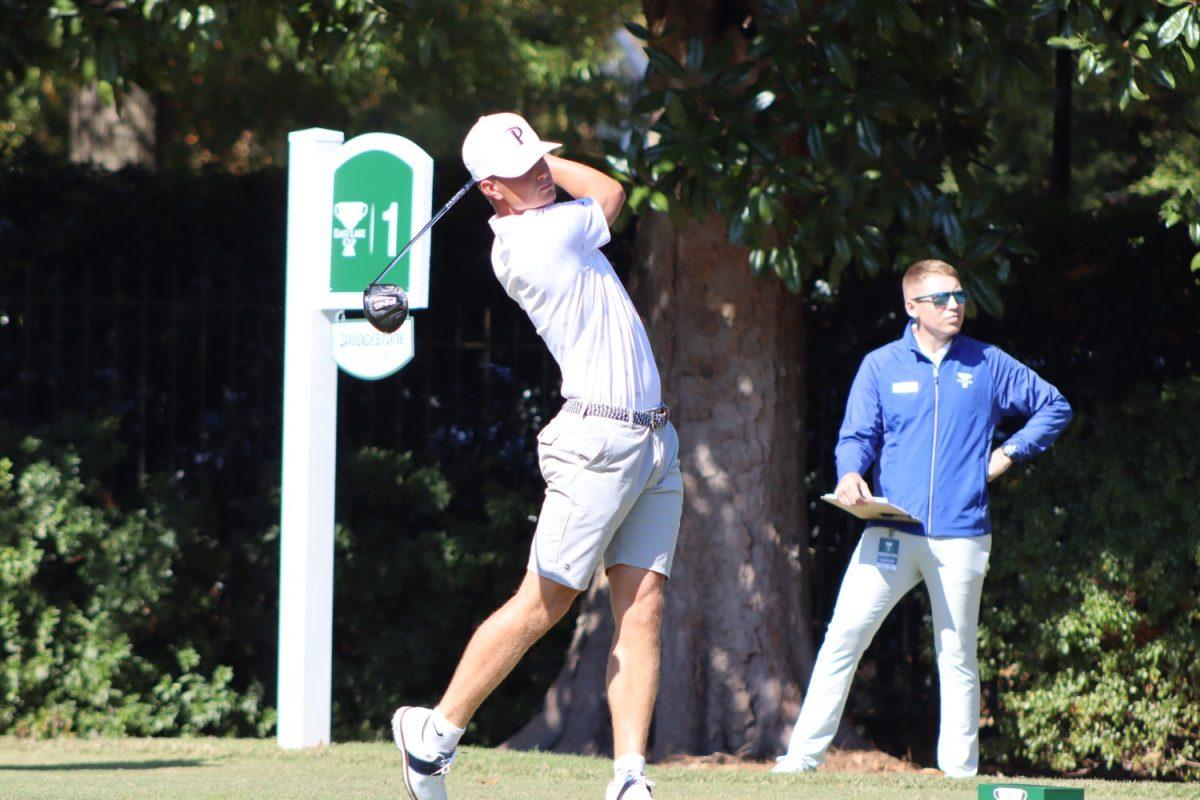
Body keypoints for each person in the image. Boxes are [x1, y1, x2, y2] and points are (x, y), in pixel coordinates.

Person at [391, 112, 683, 800]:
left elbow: (587, 193)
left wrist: (533, 158)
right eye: (523, 175)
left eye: (541, 164)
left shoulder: (545, 217)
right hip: (596, 445)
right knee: (542, 603)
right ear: (490, 189)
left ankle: (629, 778)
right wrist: (551, 161)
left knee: (642, 608)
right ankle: (433, 737)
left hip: (649, 442)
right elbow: (611, 192)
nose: (543, 176)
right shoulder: (538, 239)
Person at [773, 259, 1072, 777]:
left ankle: (958, 776)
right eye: (941, 298)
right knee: (844, 637)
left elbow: (1054, 405)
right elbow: (856, 437)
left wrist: (1007, 455)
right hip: (889, 530)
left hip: (962, 536)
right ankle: (800, 761)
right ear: (912, 307)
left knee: (956, 657)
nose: (954, 305)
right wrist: (849, 475)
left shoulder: (988, 363)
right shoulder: (881, 365)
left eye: (959, 296)